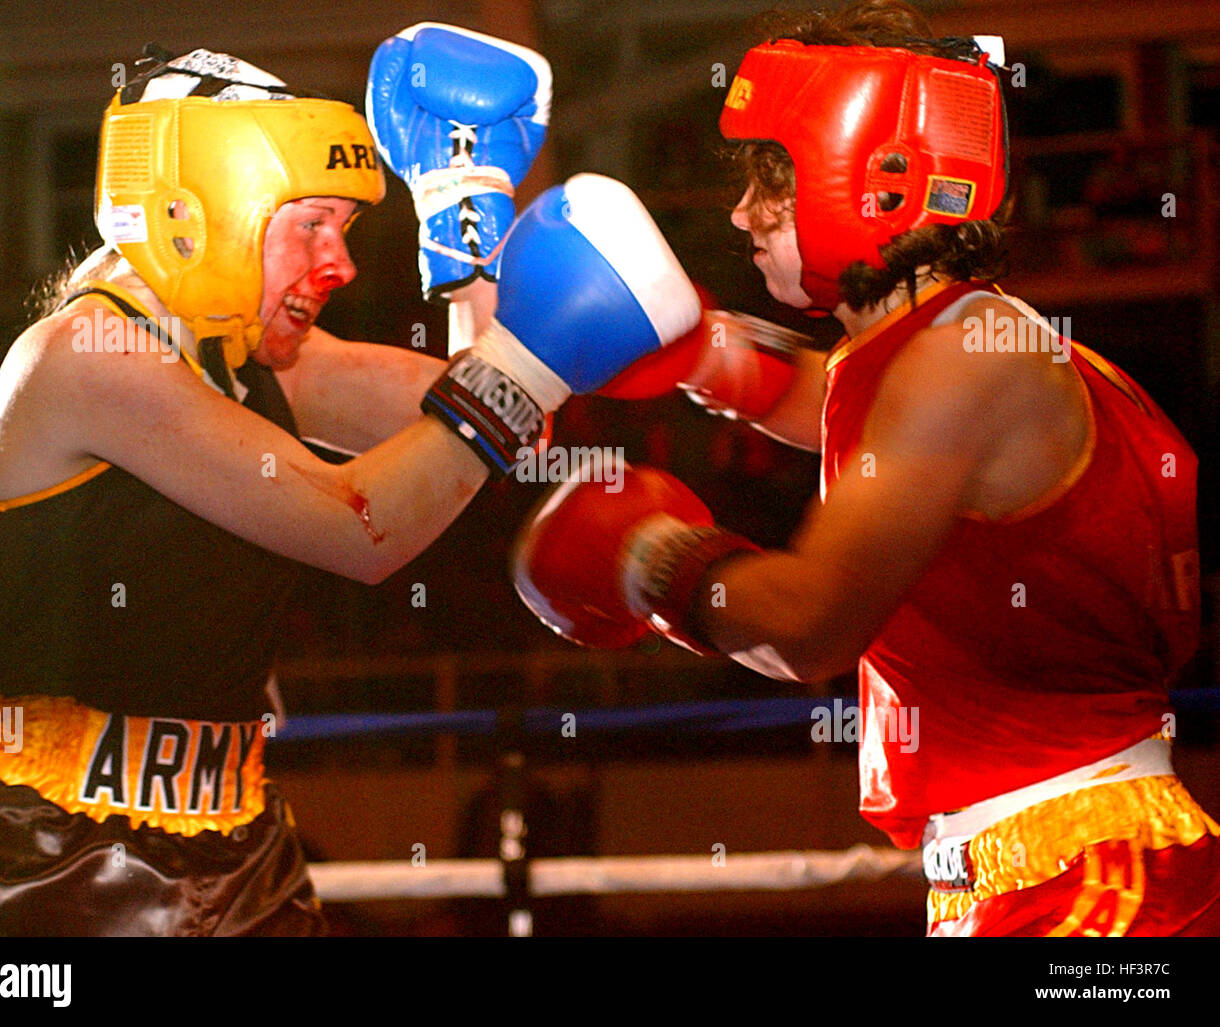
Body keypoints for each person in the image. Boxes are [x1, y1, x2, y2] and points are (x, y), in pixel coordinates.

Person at [0, 33, 700, 935]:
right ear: (203, 208)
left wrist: (466, 229)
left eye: (346, 227)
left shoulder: (257, 358)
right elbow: (362, 523)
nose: (341, 264)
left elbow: (480, 425)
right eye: (311, 226)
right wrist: (526, 357)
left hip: (240, 843)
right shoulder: (83, 360)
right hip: (45, 857)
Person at [512, 1, 1220, 936]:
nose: (740, 212)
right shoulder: (942, 348)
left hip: (1095, 883)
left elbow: (809, 624)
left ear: (876, 177)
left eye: (773, 179)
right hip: (1031, 871)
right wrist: (694, 351)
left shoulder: (969, 359)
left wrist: (644, 555)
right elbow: (836, 403)